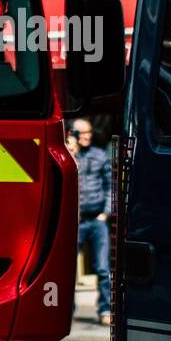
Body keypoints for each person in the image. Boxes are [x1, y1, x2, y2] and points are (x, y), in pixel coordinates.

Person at [68, 118, 113, 325]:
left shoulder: (100, 155)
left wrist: (106, 212)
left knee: (103, 268)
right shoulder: (68, 155)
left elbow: (109, 185)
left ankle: (105, 310)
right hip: (75, 221)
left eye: (89, 133)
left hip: (96, 219)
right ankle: (68, 311)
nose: (87, 136)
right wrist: (71, 153)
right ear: (72, 134)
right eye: (82, 133)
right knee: (67, 268)